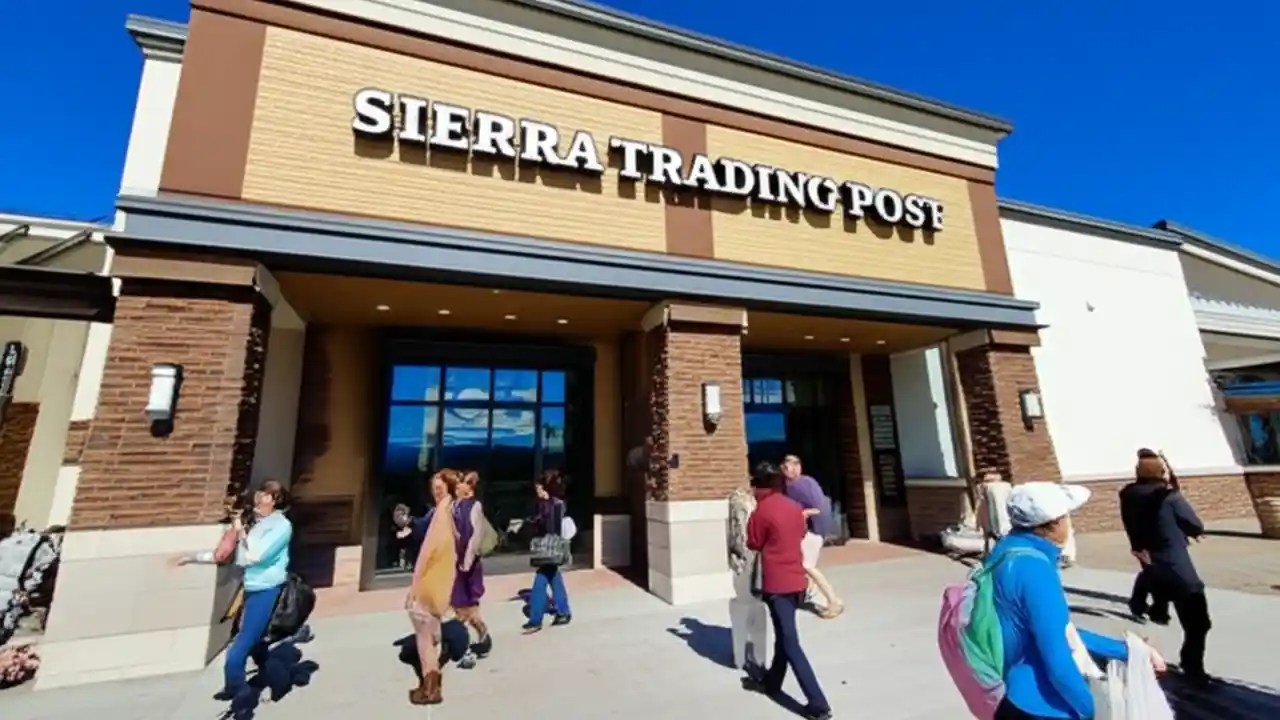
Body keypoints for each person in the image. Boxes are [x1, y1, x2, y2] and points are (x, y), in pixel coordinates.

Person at [992, 482, 1164, 720]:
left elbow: (1059, 631)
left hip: (1016, 693)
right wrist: (1091, 709)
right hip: (1046, 706)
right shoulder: (1035, 570)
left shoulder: (1004, 552)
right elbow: (1058, 660)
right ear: (1054, 523)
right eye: (1067, 517)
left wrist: (1127, 651)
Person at [172, 480, 293, 703]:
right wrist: (190, 558)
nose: (259, 498)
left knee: (239, 648)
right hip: (249, 588)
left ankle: (238, 692)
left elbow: (256, 556)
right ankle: (278, 679)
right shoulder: (253, 522)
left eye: (266, 495)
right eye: (260, 493)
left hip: (267, 590)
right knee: (256, 643)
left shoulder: (281, 526)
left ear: (275, 501)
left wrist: (241, 531)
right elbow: (223, 554)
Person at [742, 461, 832, 720]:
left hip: (777, 584)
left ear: (757, 485)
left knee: (790, 642)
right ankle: (772, 683)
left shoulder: (761, 511)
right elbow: (802, 533)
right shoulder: (793, 507)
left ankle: (818, 703)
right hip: (796, 580)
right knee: (784, 635)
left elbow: (753, 542)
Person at [1119, 451, 1213, 688]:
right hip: (1174, 562)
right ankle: (1192, 667)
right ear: (1162, 473)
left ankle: (1151, 605)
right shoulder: (1169, 497)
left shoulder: (1128, 494)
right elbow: (1195, 524)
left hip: (1148, 557)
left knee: (1159, 584)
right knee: (1198, 620)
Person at [405, 469, 462, 705]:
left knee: (423, 636)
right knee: (431, 629)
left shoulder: (441, 513)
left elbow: (427, 551)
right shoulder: (454, 511)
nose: (434, 492)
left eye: (439, 488)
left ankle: (430, 689)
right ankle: (433, 682)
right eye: (433, 488)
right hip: (444, 579)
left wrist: (414, 583)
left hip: (431, 580)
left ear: (448, 488)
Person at [781, 454, 844, 619]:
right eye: (787, 465)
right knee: (800, 563)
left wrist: (802, 513)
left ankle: (833, 601)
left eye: (795, 464)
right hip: (808, 531)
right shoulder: (790, 485)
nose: (791, 468)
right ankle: (809, 593)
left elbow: (819, 508)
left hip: (815, 530)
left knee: (807, 565)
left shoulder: (803, 484)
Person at [522, 470, 572, 633]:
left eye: (539, 488)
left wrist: (534, 521)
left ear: (546, 488)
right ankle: (563, 612)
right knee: (554, 578)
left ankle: (535, 619)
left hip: (549, 548)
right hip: (551, 550)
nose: (537, 491)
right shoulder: (553, 504)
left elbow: (550, 527)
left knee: (540, 580)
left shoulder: (552, 505)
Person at [1125, 449, 1172, 625]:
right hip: (1158, 540)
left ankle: (1145, 605)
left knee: (1152, 573)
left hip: (1141, 540)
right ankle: (1154, 610)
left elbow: (1127, 519)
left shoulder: (1129, 492)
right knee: (1156, 574)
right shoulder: (1159, 491)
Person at [452, 471, 492, 661]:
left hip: (469, 562)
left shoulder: (475, 506)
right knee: (462, 605)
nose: (457, 487)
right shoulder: (453, 506)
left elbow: (476, 535)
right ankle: (480, 637)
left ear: (469, 487)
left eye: (461, 484)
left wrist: (467, 560)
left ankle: (464, 644)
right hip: (455, 560)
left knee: (465, 605)